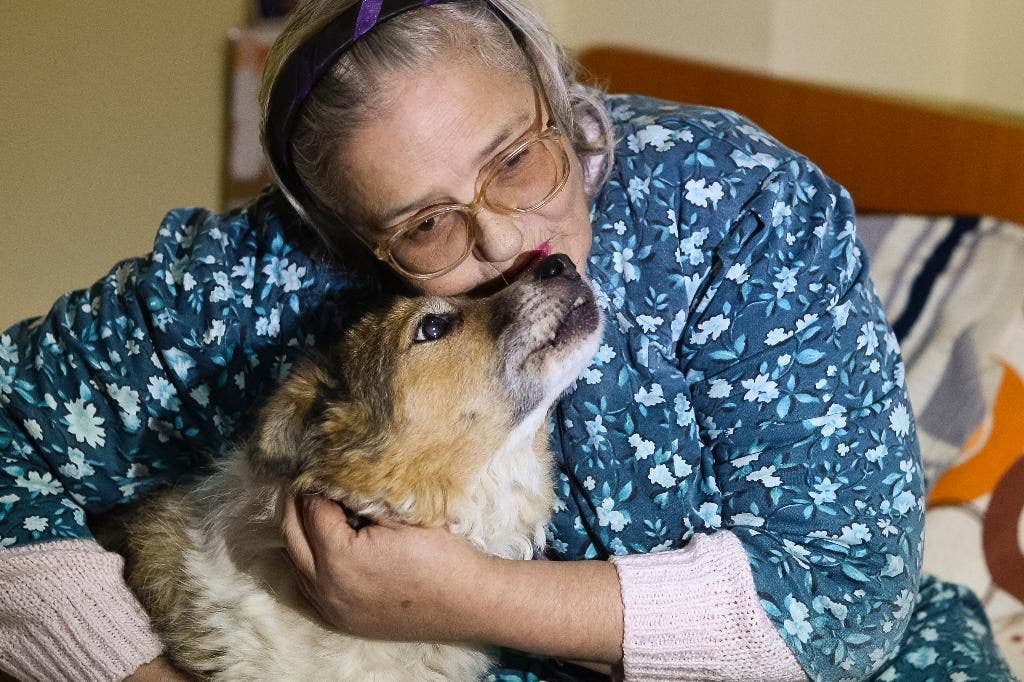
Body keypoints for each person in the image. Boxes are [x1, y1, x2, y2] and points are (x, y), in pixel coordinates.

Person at [0, 1, 1015, 680]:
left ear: (556, 91)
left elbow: (843, 606)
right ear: (347, 238)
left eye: (518, 160)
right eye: (425, 226)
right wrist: (133, 671)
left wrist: (472, 596)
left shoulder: (738, 209)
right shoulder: (254, 280)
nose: (507, 240)